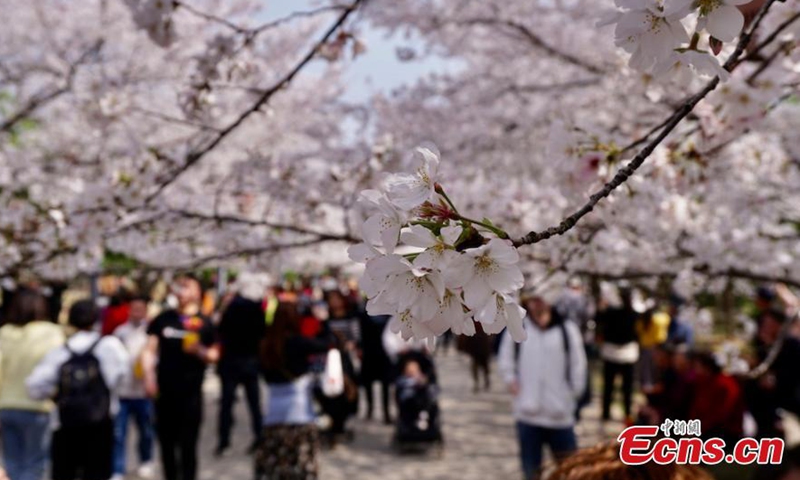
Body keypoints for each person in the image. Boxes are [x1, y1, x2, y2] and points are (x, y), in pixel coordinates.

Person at [27, 299, 129, 480]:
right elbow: (122, 376)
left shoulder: (60, 351)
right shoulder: (109, 346)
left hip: (66, 423)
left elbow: (34, 386)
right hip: (101, 423)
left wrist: (55, 395)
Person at [498, 296, 587, 480]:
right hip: (528, 414)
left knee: (570, 471)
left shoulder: (567, 330)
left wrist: (571, 397)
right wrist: (510, 381)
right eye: (533, 298)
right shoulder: (517, 326)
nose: (537, 303)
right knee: (531, 472)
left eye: (542, 298)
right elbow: (505, 359)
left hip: (560, 416)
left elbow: (578, 366)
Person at [142, 275, 218, 480]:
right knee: (166, 446)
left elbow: (215, 355)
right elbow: (150, 350)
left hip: (191, 395)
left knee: (188, 447)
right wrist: (148, 377)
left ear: (197, 292)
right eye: (178, 286)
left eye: (186, 286)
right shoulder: (163, 319)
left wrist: (199, 351)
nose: (181, 290)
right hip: (164, 394)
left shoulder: (205, 322)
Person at [256, 302, 330, 480]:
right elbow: (327, 343)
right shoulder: (298, 342)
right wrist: (323, 323)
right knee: (301, 467)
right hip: (300, 413)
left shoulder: (266, 345)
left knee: (275, 467)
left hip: (273, 413)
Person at [0, 289, 65, 480]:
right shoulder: (51, 332)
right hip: (38, 406)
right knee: (35, 464)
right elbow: (58, 368)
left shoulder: (4, 332)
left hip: (5, 406)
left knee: (12, 464)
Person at [215, 289, 266, 456]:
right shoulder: (256, 309)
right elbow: (262, 333)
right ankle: (259, 437)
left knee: (226, 404)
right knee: (254, 404)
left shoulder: (231, 308)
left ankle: (224, 442)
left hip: (231, 362)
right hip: (249, 362)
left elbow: (221, 331)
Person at [111, 296, 156, 480]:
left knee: (146, 430)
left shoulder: (151, 332)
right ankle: (117, 468)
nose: (137, 312)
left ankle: (146, 461)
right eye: (134, 308)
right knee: (119, 433)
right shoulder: (119, 332)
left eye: (140, 309)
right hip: (122, 390)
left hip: (143, 392)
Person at [596, 287, 639, 425]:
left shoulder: (610, 312)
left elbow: (598, 319)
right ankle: (626, 414)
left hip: (618, 352)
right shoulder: (633, 313)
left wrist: (602, 307)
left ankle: (607, 413)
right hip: (623, 353)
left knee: (610, 386)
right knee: (626, 388)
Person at [689, 351, 744, 445]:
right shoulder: (703, 382)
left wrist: (700, 428)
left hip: (724, 432)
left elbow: (722, 414)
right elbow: (697, 407)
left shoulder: (726, 384)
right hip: (704, 429)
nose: (695, 369)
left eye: (697, 366)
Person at [359, 313, 393, 423]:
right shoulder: (363, 314)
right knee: (368, 384)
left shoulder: (389, 313)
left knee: (385, 385)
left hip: (384, 353)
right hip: (368, 353)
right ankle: (369, 409)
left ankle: (386, 412)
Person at [462, 321, 493, 393]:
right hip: (475, 343)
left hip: (483, 343)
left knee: (484, 365)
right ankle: (477, 382)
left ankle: (486, 380)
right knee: (475, 365)